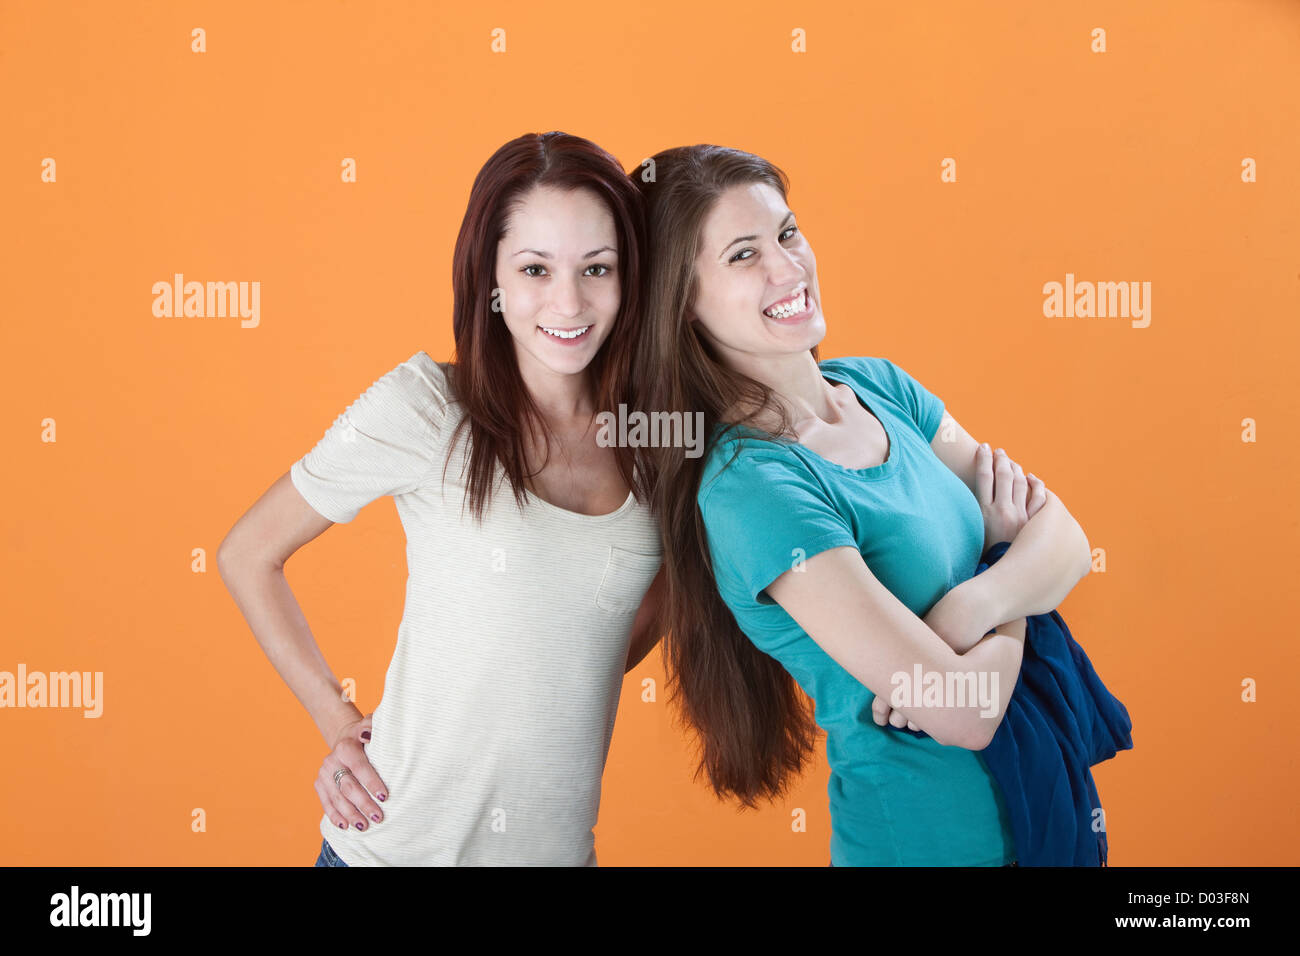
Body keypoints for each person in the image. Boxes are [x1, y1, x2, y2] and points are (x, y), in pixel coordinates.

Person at [630, 144, 1093, 866]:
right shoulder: (754, 489)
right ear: (681, 301)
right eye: (743, 256)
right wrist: (1007, 565)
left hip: (1045, 818)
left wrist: (967, 611)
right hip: (927, 844)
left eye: (787, 233)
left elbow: (1067, 540)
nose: (788, 269)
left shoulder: (881, 387)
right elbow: (962, 713)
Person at [218, 131, 666, 866]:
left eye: (598, 269)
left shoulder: (657, 438)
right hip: (390, 854)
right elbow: (247, 554)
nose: (569, 301)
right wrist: (339, 724)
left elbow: (617, 629)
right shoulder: (426, 408)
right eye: (534, 268)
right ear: (490, 279)